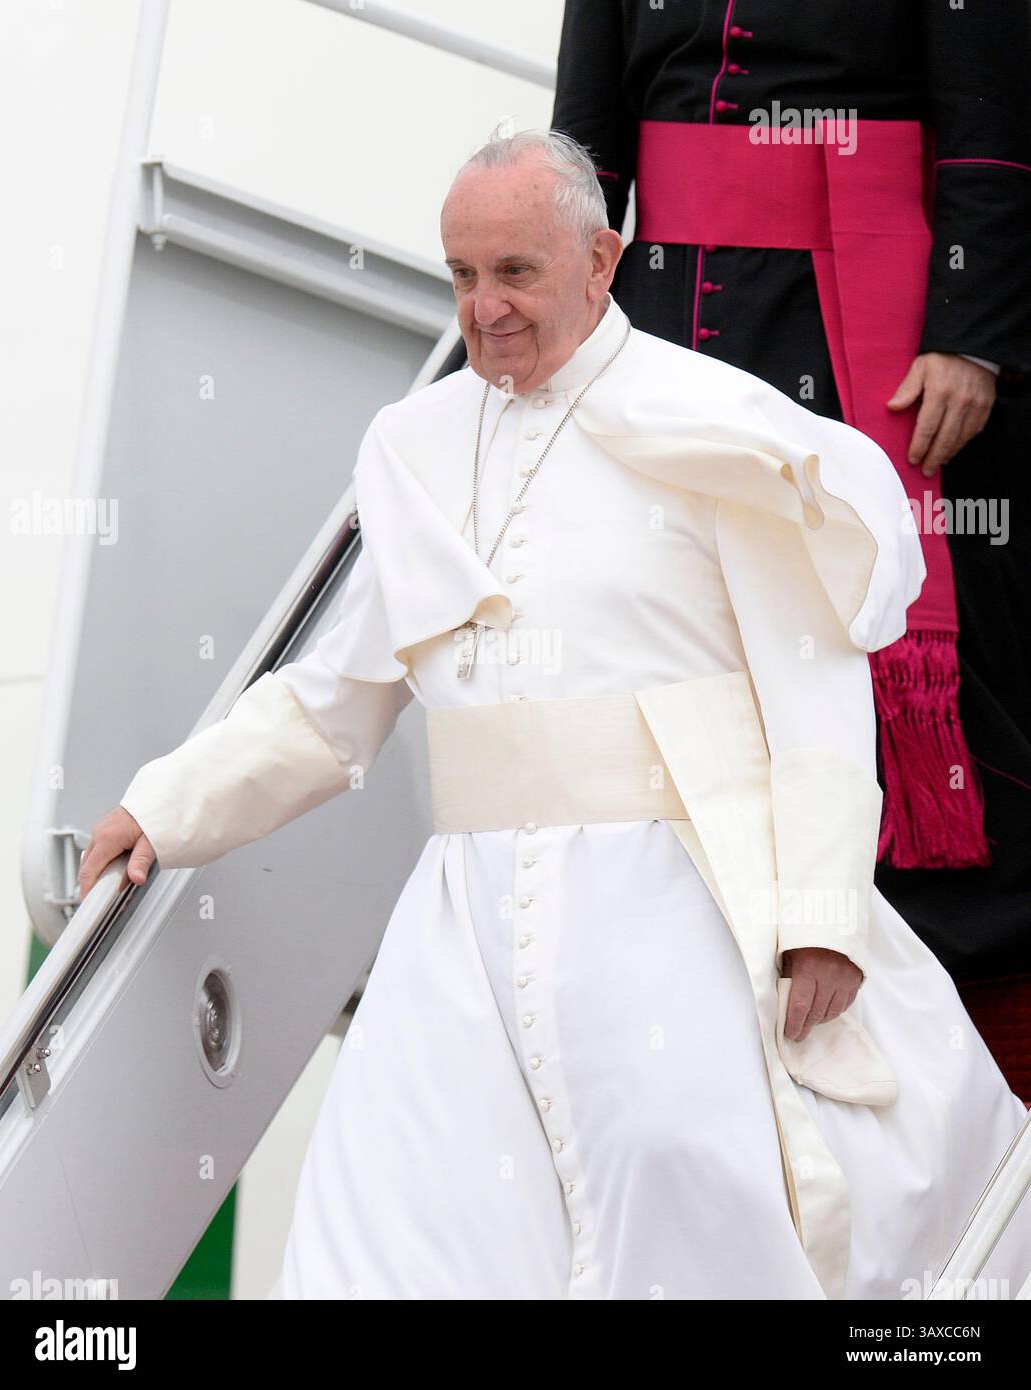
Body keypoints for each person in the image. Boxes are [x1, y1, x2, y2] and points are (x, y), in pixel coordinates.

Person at [77, 131, 1031, 1300]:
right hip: (462, 927)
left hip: (675, 901)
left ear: (600, 259)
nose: (484, 310)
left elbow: (813, 684)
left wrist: (822, 913)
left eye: (513, 273)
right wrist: (163, 807)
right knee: (397, 1215)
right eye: (461, 278)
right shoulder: (416, 449)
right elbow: (333, 708)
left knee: (692, 1197)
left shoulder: (713, 423)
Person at [550, 1, 1031, 1089]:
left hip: (868, 321)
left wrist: (969, 335)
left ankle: (928, 1028)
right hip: (670, 321)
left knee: (884, 650)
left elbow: (994, 125)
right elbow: (582, 144)